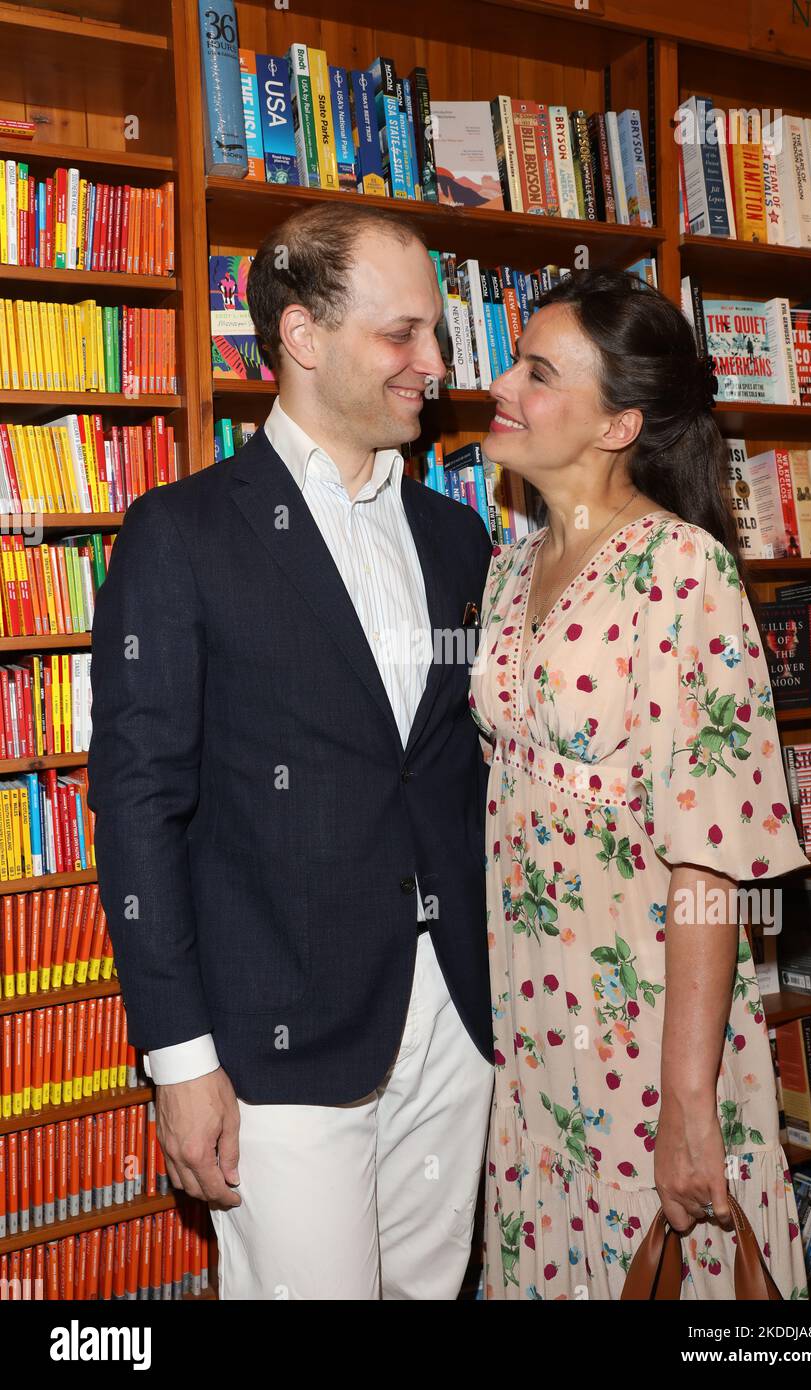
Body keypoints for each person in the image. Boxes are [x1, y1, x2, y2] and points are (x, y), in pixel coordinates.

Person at [87, 202, 494, 1300]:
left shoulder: (461, 539)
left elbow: (456, 775)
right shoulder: (179, 534)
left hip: (454, 1022)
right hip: (278, 1042)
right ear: (303, 338)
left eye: (437, 336)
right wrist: (180, 1062)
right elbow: (136, 810)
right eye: (401, 335)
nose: (435, 364)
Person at [469, 267, 811, 1300]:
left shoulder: (680, 572)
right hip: (532, 1031)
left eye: (536, 371)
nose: (501, 382)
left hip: (645, 1034)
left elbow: (711, 852)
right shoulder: (505, 566)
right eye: (512, 360)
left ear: (618, 425)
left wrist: (687, 1102)